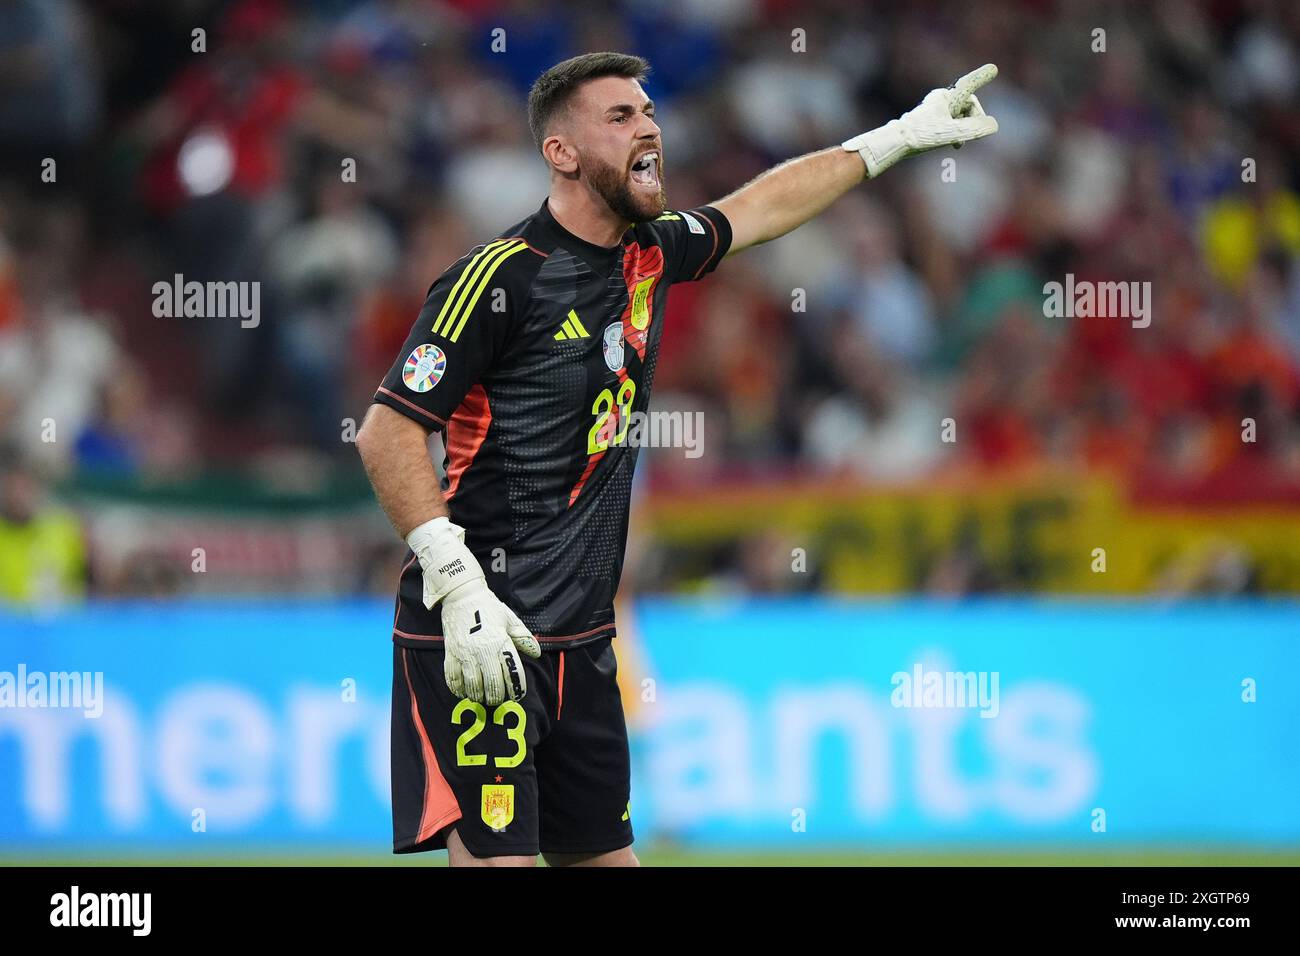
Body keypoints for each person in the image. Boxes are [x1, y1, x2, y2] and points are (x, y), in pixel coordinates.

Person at [355, 52, 998, 867]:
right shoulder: (497, 280)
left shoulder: (650, 254)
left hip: (583, 638)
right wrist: (457, 582)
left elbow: (757, 210)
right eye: (620, 117)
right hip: (486, 633)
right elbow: (387, 431)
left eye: (649, 111)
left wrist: (895, 138)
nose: (649, 127)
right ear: (562, 153)